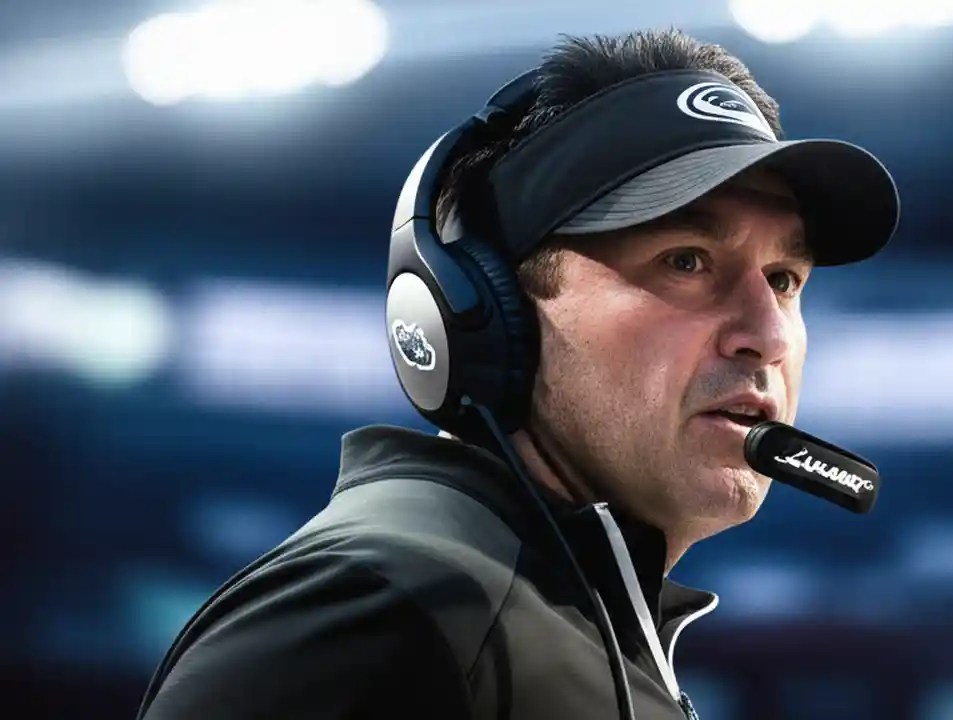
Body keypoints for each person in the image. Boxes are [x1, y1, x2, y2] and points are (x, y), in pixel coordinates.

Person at [136, 27, 898, 720]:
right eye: (686, 262)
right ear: (488, 313)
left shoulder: (566, 623)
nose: (767, 334)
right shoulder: (379, 610)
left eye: (786, 279)